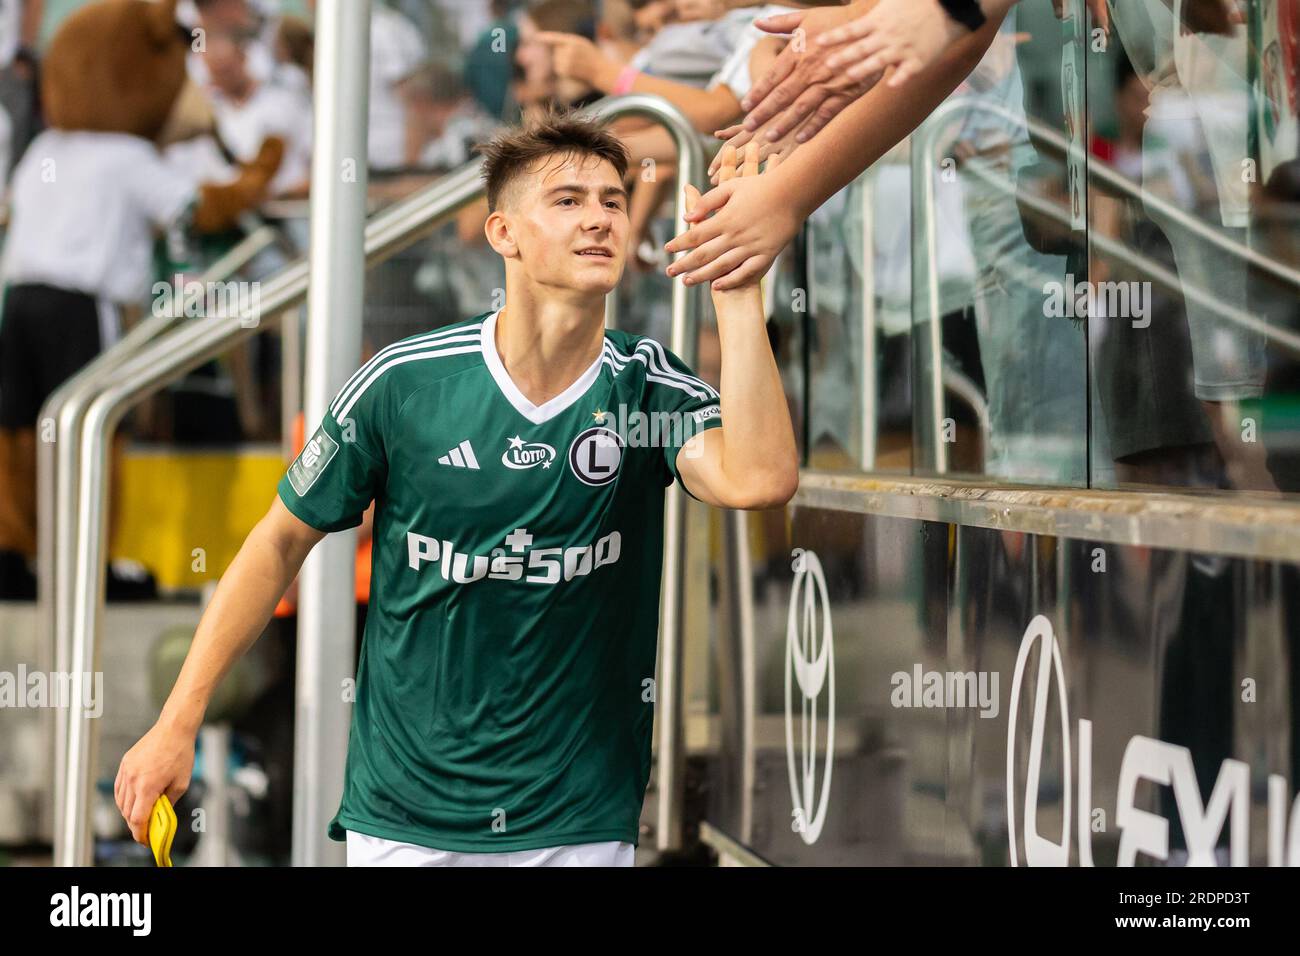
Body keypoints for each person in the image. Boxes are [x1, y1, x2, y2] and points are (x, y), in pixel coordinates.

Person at [113, 111, 797, 866]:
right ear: (503, 234)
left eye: (612, 199)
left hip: (576, 816)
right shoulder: (406, 383)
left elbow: (760, 478)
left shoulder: (644, 387)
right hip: (405, 814)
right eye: (567, 201)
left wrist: (738, 292)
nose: (600, 217)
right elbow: (277, 540)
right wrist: (180, 717)